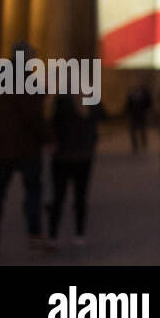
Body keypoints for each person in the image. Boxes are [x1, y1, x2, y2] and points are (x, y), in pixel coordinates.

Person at [0, 42, 50, 253]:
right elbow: (33, 117)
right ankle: (35, 236)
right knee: (33, 193)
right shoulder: (28, 81)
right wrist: (49, 138)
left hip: (1, 150)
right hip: (26, 149)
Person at [45, 93, 104, 246]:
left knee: (58, 196)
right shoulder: (89, 98)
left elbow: (48, 123)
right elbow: (101, 116)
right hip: (82, 155)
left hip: (61, 155)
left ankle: (53, 234)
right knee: (80, 196)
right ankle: (79, 233)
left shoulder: (56, 99)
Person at [124, 81, 152, 154]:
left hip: (141, 115)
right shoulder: (131, 96)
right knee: (133, 132)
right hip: (133, 116)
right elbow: (128, 105)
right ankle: (135, 146)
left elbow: (148, 103)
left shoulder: (145, 95)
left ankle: (143, 144)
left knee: (142, 131)